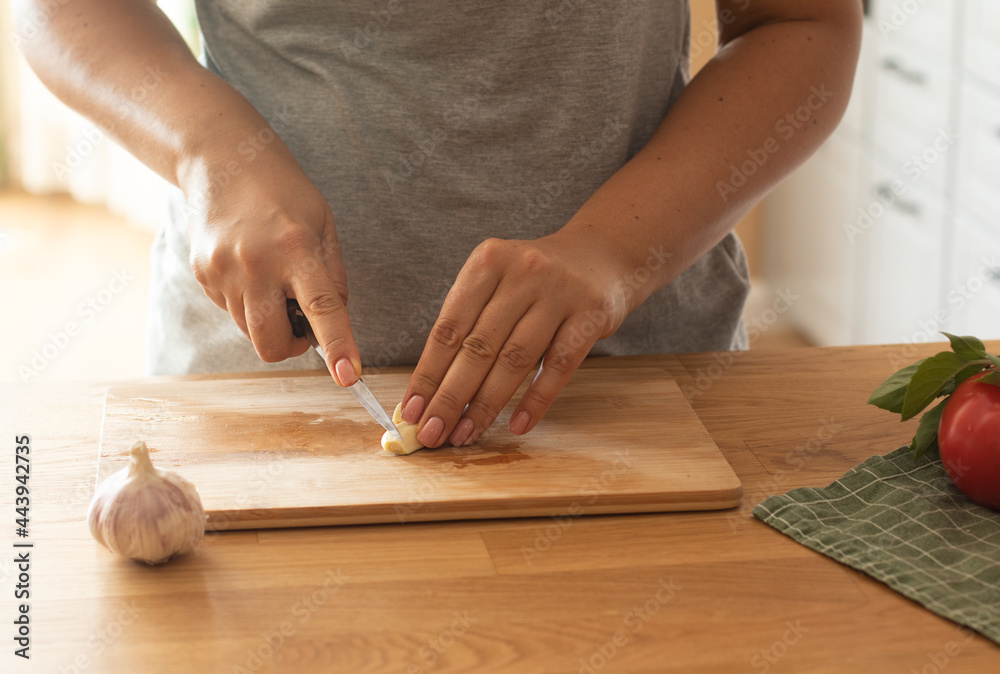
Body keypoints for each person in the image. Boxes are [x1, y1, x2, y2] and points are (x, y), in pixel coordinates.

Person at [19, 0, 862, 448]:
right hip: (257, 401)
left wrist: (612, 253)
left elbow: (803, 22)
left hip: (637, 394)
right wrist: (209, 151)